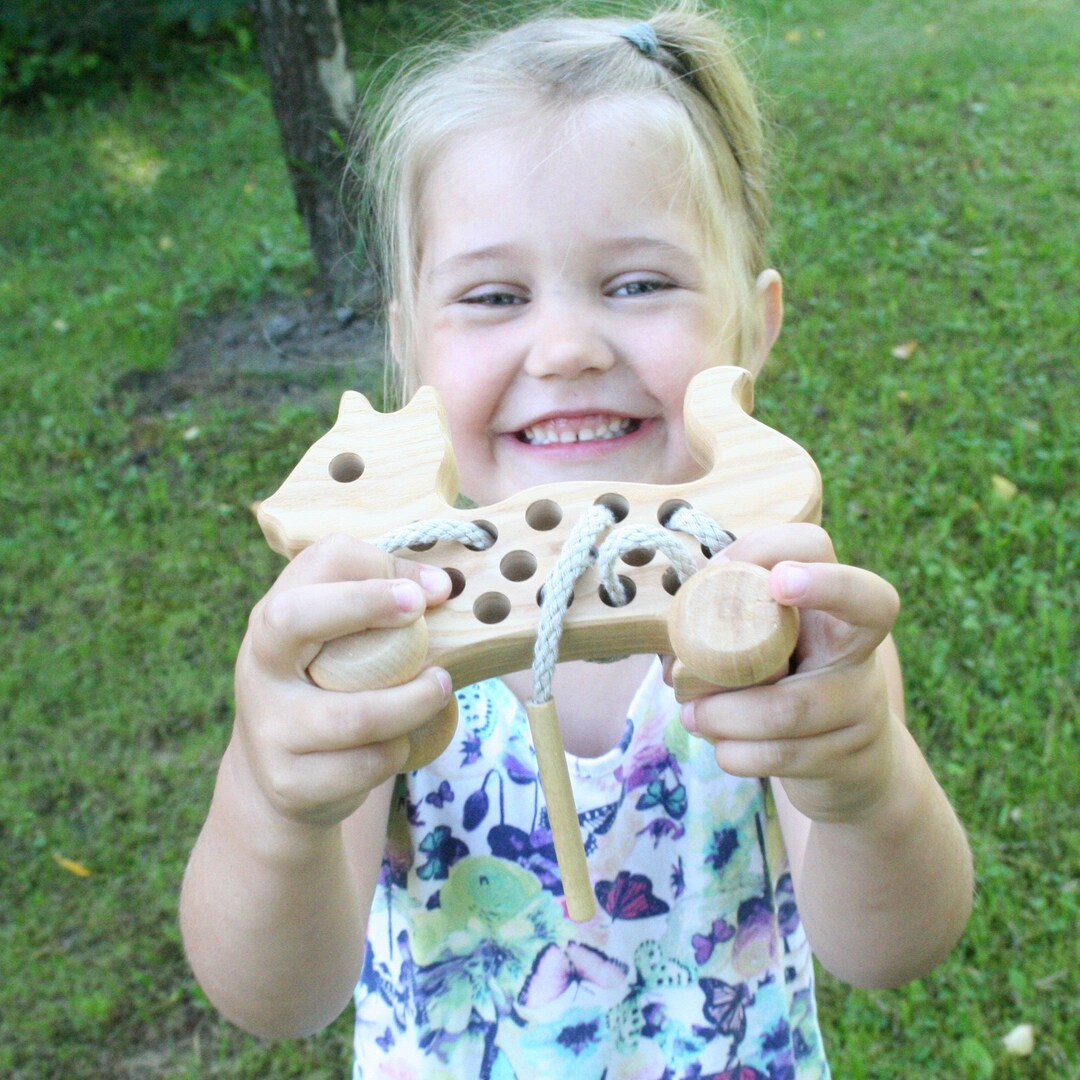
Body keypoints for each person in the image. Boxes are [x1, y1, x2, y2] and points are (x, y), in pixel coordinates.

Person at [180, 5, 974, 1077]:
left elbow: (891, 948)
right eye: (494, 296)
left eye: (638, 284)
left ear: (755, 324)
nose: (561, 347)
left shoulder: (779, 603)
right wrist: (273, 802)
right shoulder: (383, 622)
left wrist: (864, 785)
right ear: (410, 344)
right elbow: (278, 998)